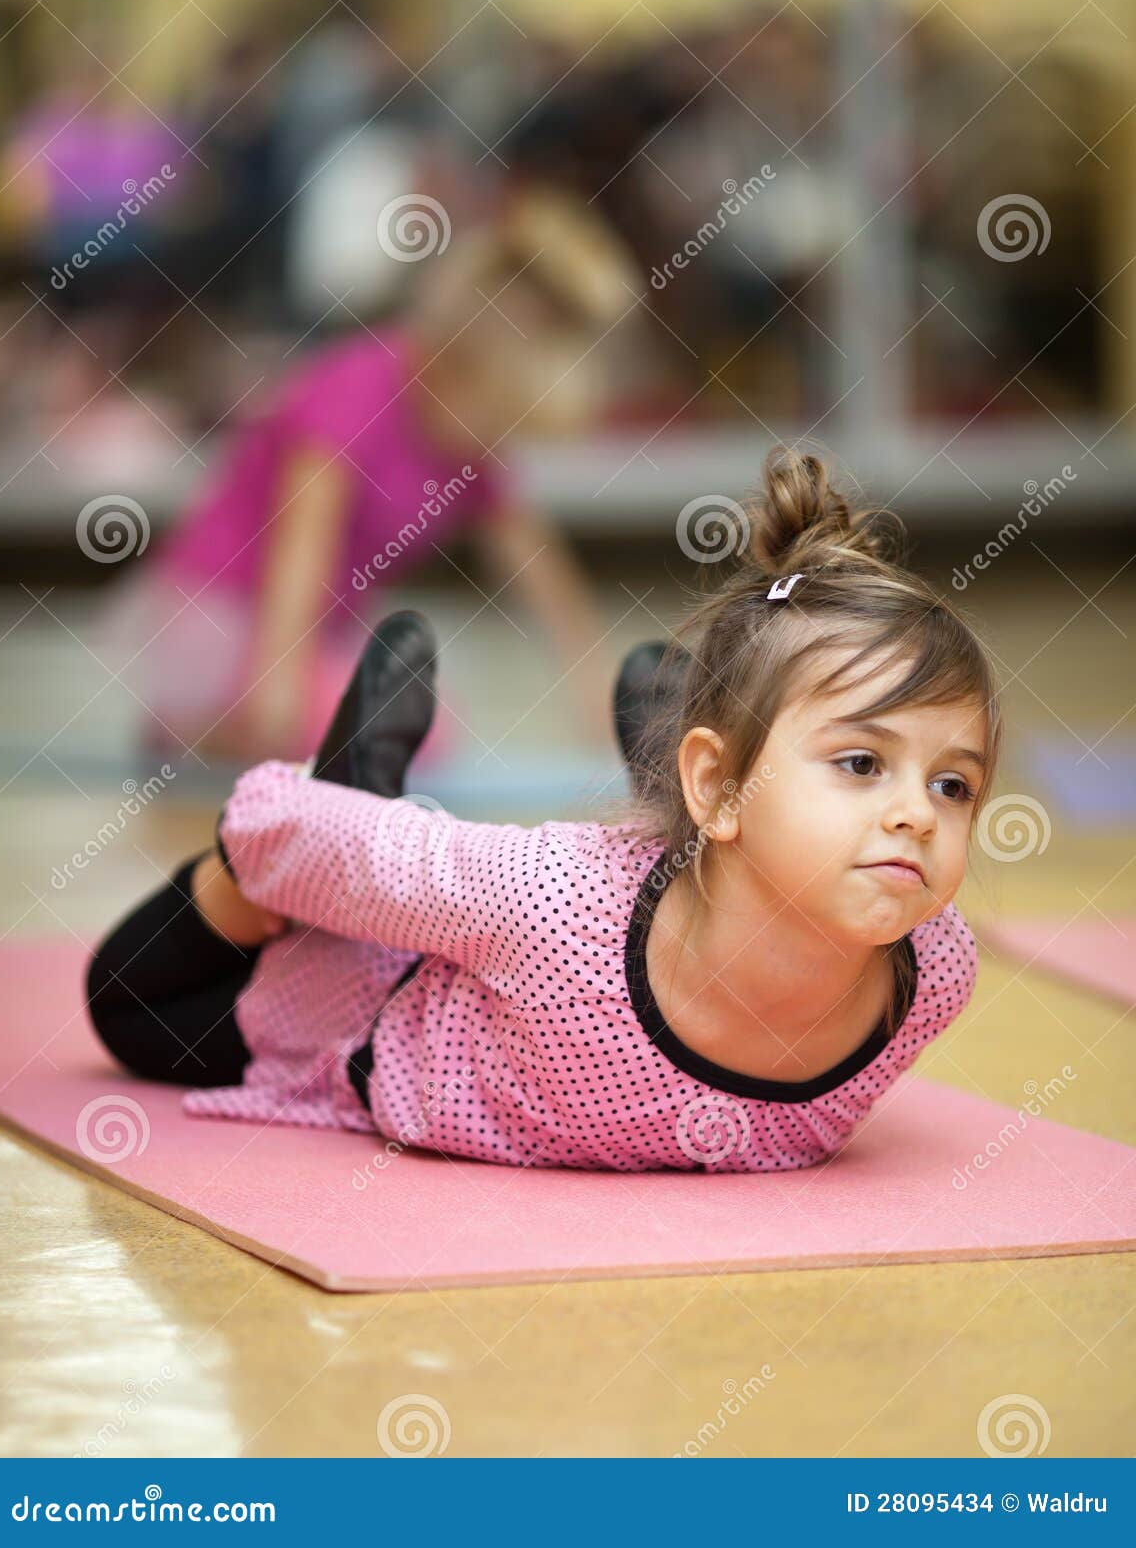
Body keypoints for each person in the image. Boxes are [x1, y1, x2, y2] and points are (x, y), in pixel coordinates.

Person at [85, 448, 1001, 1174]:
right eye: (861, 763)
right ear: (718, 790)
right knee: (124, 1004)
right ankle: (358, 792)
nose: (918, 813)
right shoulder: (549, 904)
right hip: (390, 1005)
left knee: (705, 869)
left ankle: (662, 764)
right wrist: (300, 849)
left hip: (666, 875)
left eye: (952, 784)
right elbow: (276, 831)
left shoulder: (935, 970)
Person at [101, 185, 638, 766]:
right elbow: (299, 545)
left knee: (425, 723)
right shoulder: (357, 390)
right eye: (505, 419)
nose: (499, 444)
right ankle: (202, 733)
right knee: (384, 727)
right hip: (216, 616)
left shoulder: (468, 433)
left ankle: (226, 736)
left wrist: (596, 681)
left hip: (315, 633)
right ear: (465, 367)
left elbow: (535, 562)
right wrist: (276, 680)